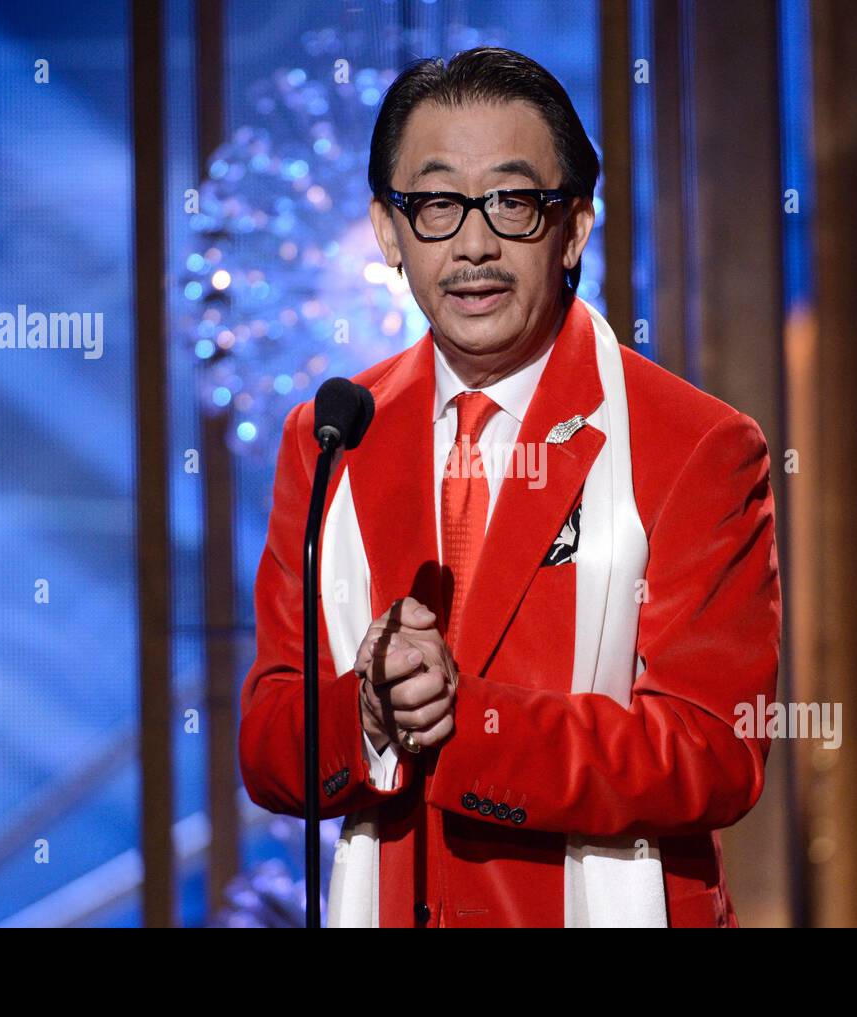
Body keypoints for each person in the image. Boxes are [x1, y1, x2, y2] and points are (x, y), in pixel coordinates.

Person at [239, 46, 780, 927]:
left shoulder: (697, 445)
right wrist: (367, 709)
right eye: (439, 204)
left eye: (514, 202)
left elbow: (715, 751)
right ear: (388, 231)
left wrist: (468, 722)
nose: (475, 243)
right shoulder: (332, 434)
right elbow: (269, 744)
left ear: (573, 228)